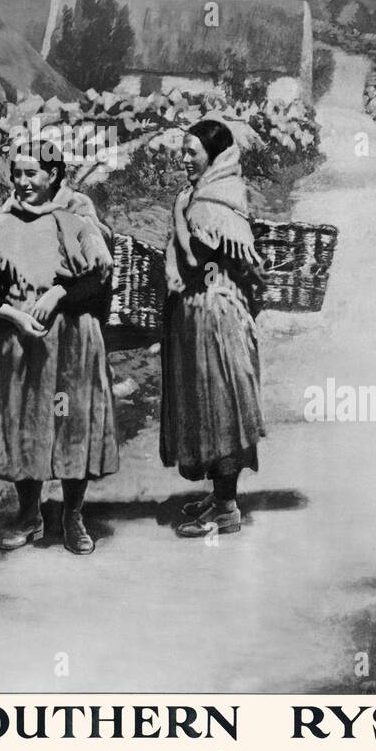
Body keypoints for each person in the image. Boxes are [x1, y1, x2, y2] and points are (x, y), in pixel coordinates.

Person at [0, 140, 117, 555]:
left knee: (70, 422)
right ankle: (29, 514)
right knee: (23, 423)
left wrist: (59, 292)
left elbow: (97, 282)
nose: (22, 183)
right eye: (16, 174)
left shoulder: (78, 217)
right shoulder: (2, 224)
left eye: (31, 174)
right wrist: (13, 315)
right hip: (20, 339)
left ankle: (72, 516)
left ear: (53, 175)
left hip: (71, 338)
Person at [160, 118, 265, 537]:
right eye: (183, 150)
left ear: (214, 155)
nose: (184, 158)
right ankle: (221, 497)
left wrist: (177, 219)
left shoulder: (211, 202)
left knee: (219, 405)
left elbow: (193, 261)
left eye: (192, 152)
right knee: (206, 405)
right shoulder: (203, 193)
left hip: (215, 316)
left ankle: (225, 509)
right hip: (202, 312)